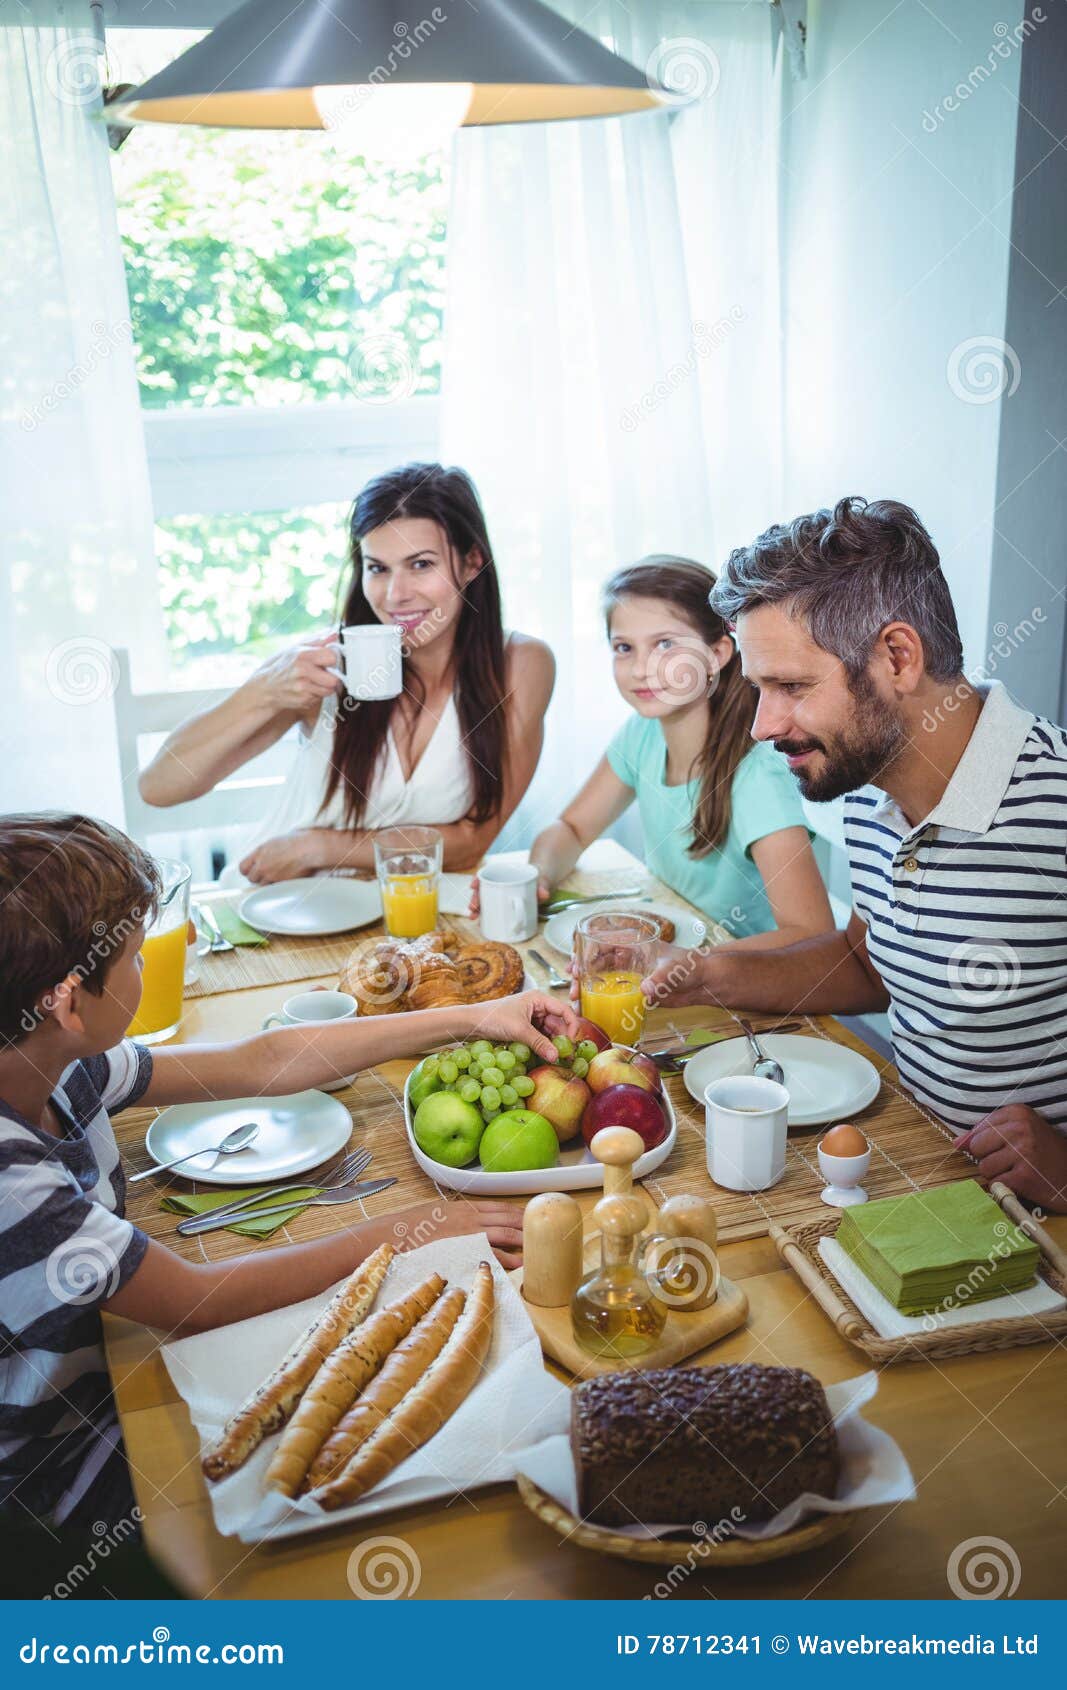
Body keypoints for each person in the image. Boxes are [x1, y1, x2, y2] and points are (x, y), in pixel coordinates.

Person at [0, 812, 578, 1534]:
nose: (145, 969)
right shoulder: (12, 1184)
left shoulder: (50, 1062)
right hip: (57, 1463)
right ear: (68, 1000)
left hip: (108, 1367)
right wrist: (412, 1229)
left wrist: (476, 1017)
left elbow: (262, 1061)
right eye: (135, 960)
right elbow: (196, 1301)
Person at [642, 498, 1067, 1212]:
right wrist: (711, 975)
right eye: (757, 689)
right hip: (927, 1172)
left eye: (791, 687)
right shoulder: (867, 788)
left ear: (897, 657)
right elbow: (867, 964)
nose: (760, 725)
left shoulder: (1052, 809)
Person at [139, 463, 555, 880]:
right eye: (378, 568)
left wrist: (317, 847)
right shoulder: (327, 663)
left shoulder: (522, 666)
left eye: (421, 564)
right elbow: (159, 787)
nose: (396, 595)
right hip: (271, 908)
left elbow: (472, 844)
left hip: (399, 921)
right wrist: (264, 692)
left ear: (472, 562)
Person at [510, 557, 833, 945]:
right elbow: (573, 829)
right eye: (624, 647)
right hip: (675, 970)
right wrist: (539, 877)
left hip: (747, 990)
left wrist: (693, 969)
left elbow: (811, 936)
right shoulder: (642, 734)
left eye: (665, 644)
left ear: (717, 653)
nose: (641, 668)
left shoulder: (757, 773)